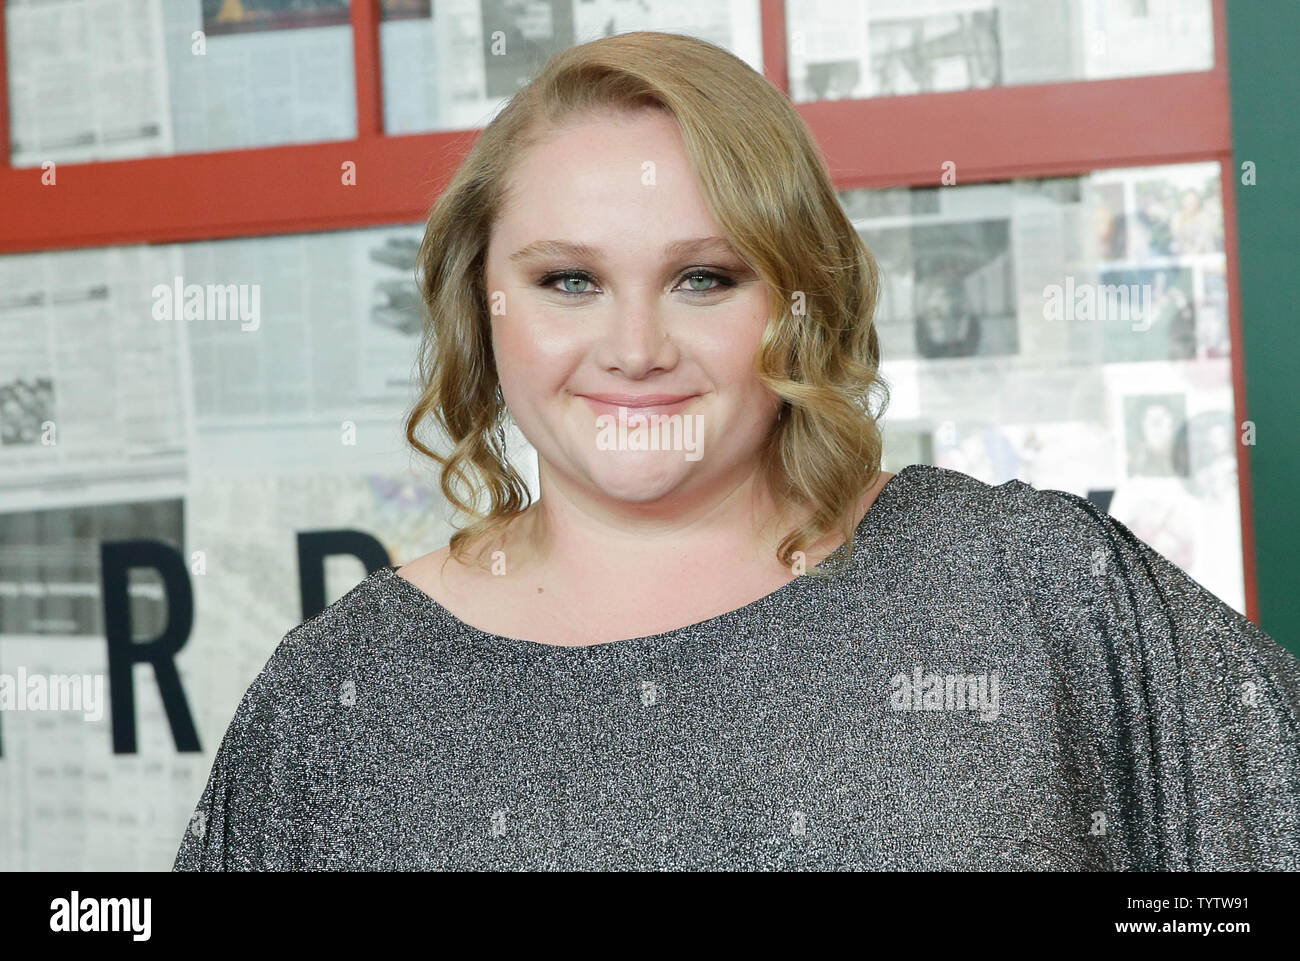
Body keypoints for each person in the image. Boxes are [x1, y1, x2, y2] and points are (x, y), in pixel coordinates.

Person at [172, 31, 1299, 871]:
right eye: (569, 279)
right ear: (483, 300)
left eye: (702, 277)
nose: (634, 347)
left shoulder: (1033, 583)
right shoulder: (337, 701)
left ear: (798, 299)